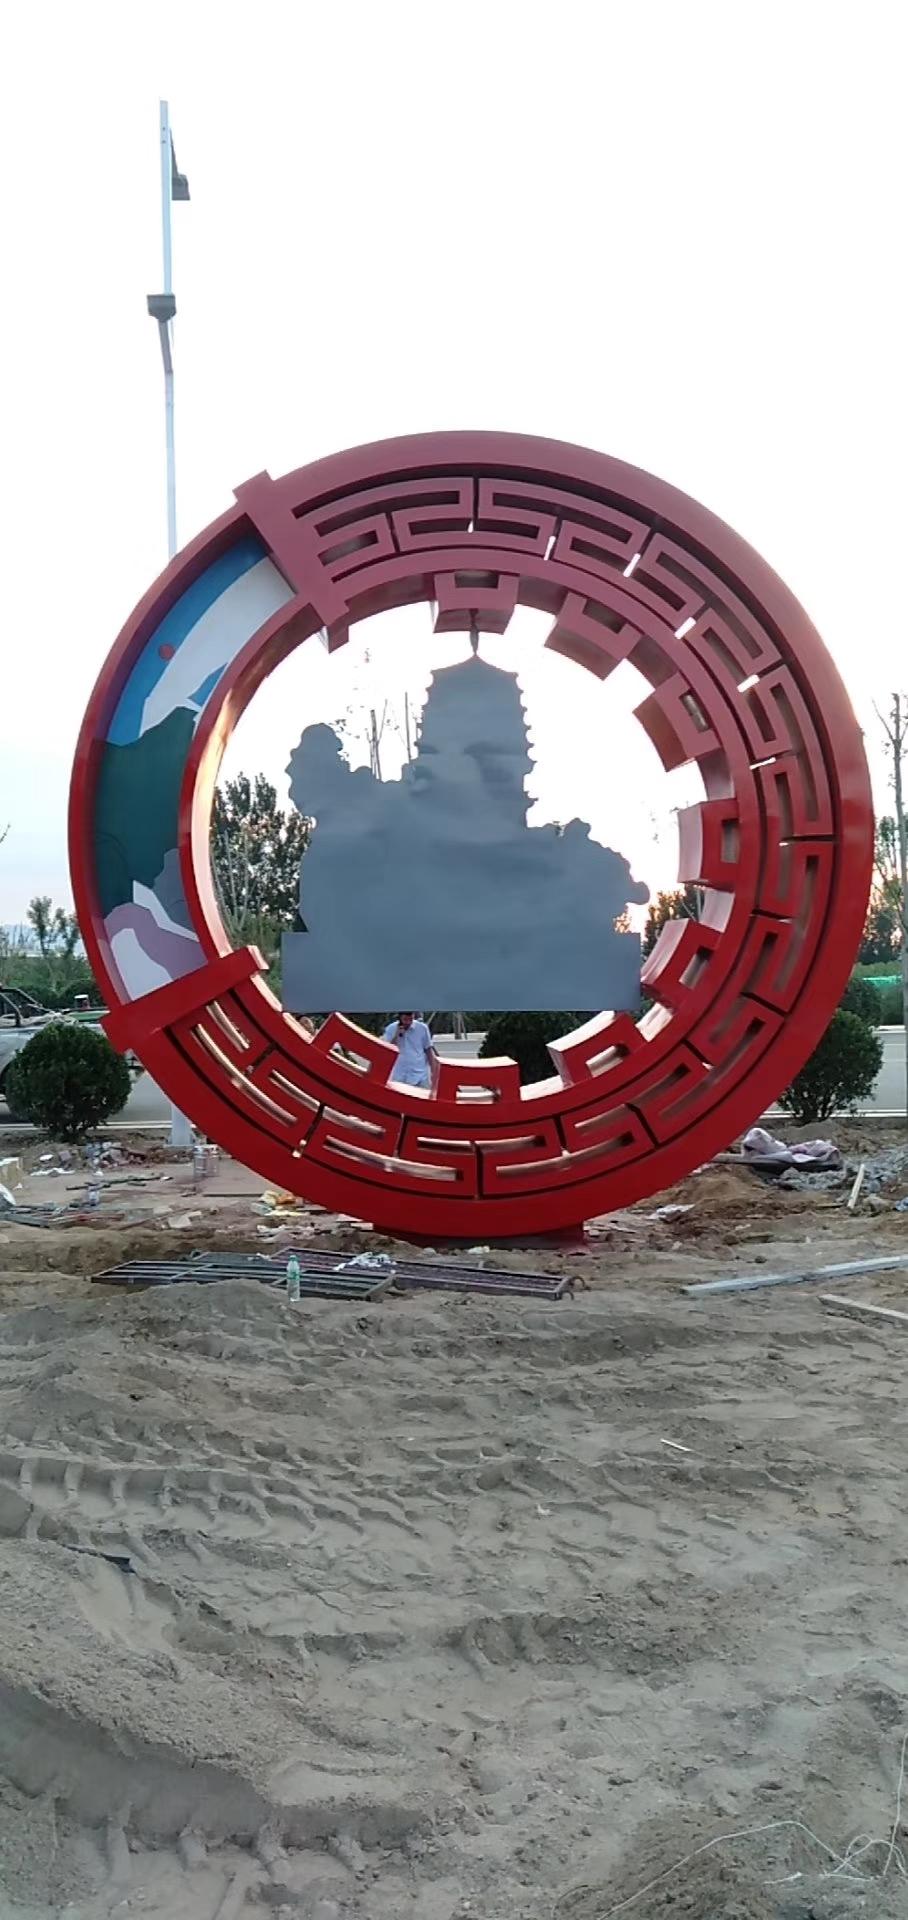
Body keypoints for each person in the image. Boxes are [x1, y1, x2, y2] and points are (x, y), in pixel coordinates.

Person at [383, 1012, 437, 1089]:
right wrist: (397, 1035)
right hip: (399, 1075)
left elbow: (428, 1050)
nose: (408, 1023)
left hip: (419, 1075)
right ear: (400, 1018)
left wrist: (434, 1071)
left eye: (410, 1019)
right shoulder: (391, 1029)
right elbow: (388, 1050)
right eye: (405, 1020)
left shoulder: (422, 1028)